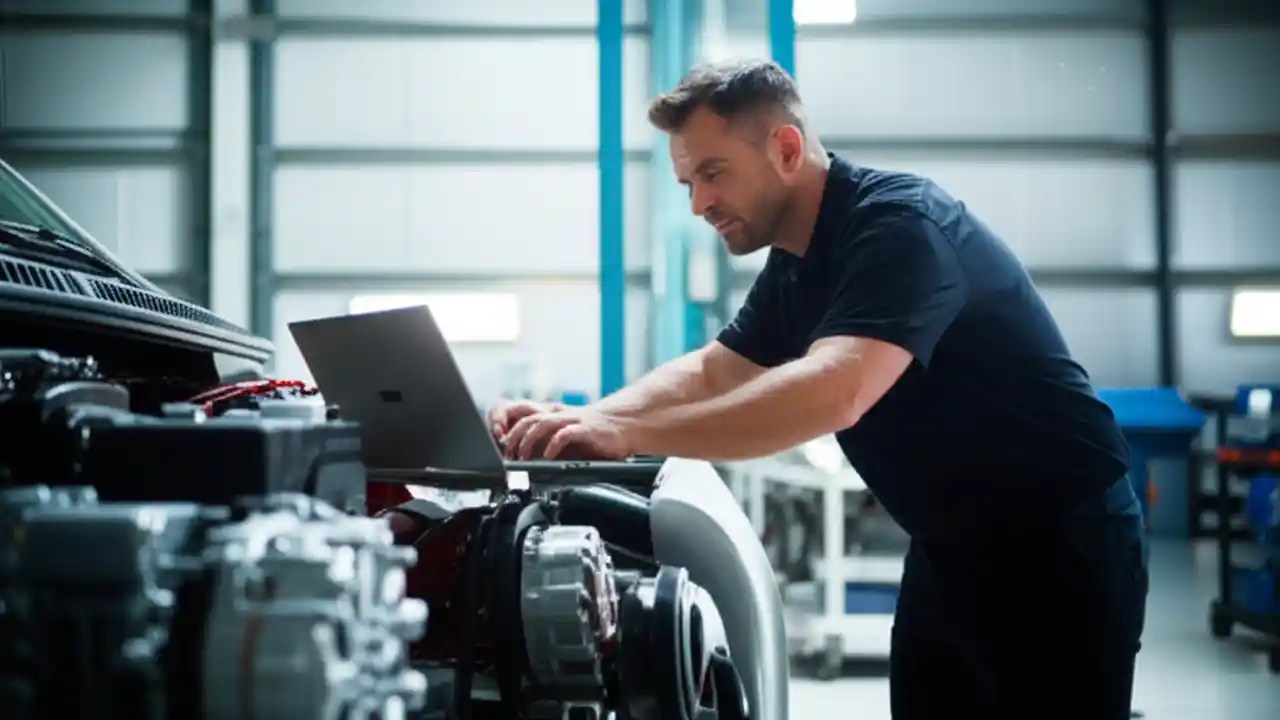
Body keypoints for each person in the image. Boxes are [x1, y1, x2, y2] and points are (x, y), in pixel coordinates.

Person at [489, 59, 1147, 719]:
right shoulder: (798, 261)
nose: (698, 204)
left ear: (785, 148)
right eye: (688, 183)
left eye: (712, 174)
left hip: (1059, 543)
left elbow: (836, 389)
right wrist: (576, 420)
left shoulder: (899, 226)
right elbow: (716, 370)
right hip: (950, 549)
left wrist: (630, 436)